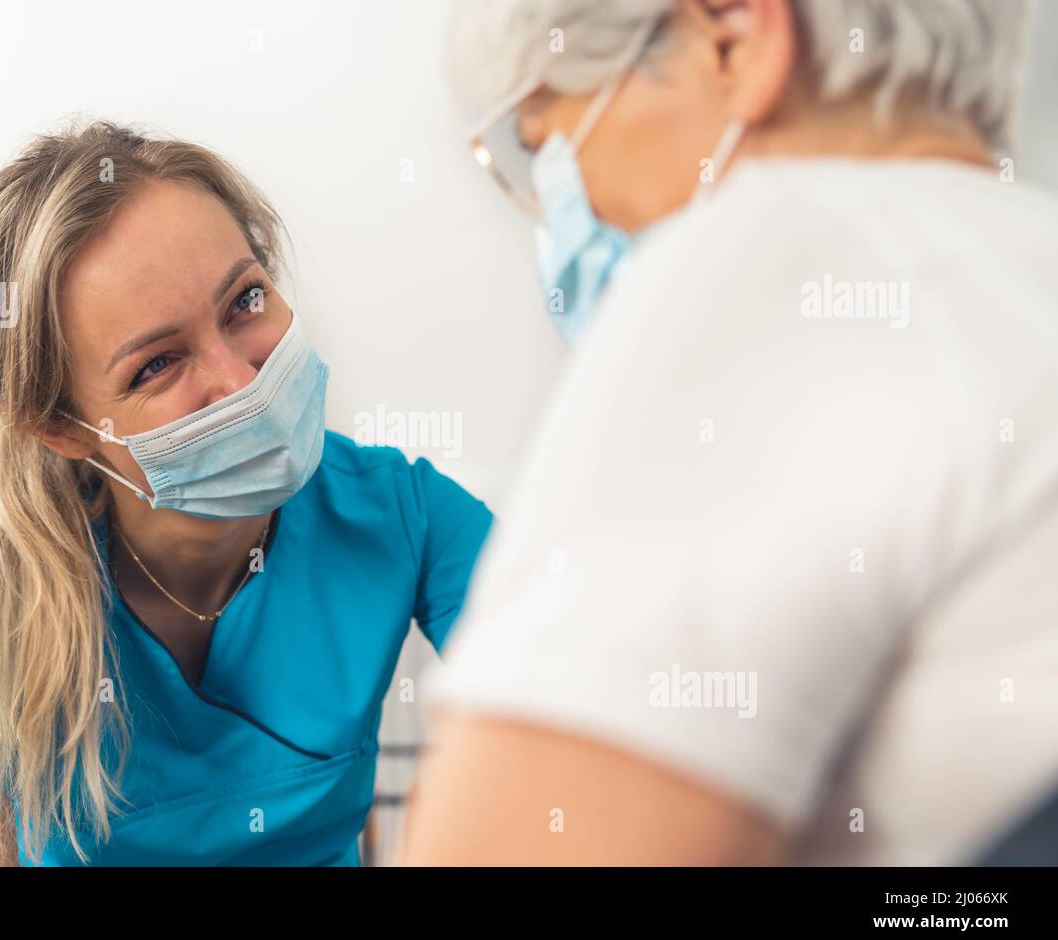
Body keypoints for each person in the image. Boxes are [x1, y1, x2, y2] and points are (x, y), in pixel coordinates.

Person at [400, 0, 1058, 865]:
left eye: (548, 141)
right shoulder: (1022, 257)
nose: (560, 212)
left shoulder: (778, 256)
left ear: (733, 38)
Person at [0, 120, 493, 866]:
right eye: (157, 364)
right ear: (60, 429)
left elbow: (593, 704)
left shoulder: (405, 518)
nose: (240, 380)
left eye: (245, 301)